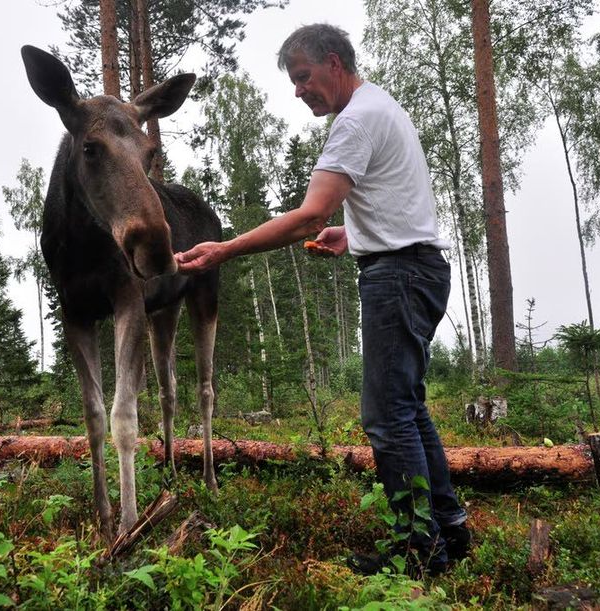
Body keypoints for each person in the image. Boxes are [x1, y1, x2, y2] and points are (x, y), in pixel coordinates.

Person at [174, 23, 469, 575]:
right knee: (407, 408)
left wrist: (225, 250)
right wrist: (353, 235)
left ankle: (418, 551)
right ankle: (448, 528)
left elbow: (310, 214)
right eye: (293, 80)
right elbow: (397, 201)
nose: (298, 91)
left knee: (387, 417)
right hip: (418, 269)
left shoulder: (354, 120)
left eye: (304, 76)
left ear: (335, 63)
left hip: (399, 277)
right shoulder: (381, 106)